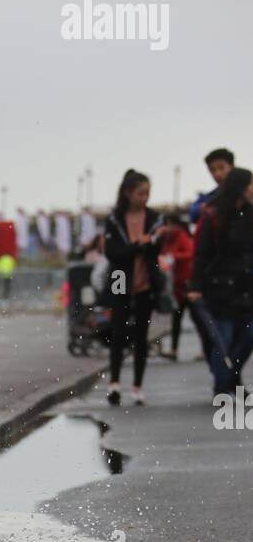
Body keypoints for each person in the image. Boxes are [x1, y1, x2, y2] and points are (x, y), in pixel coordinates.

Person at [103, 170, 166, 406]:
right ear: (129, 193)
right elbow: (113, 253)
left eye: (148, 193)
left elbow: (156, 250)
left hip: (145, 281)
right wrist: (139, 243)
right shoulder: (114, 219)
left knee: (141, 335)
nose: (145, 198)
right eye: (141, 193)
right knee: (117, 332)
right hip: (121, 276)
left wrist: (155, 241)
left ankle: (137, 385)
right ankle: (115, 383)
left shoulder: (155, 219)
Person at [189, 167, 253, 397]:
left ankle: (228, 379)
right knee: (223, 339)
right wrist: (195, 286)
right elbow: (201, 253)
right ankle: (223, 386)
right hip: (220, 288)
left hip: (247, 287)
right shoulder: (214, 216)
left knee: (248, 336)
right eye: (250, 185)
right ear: (240, 188)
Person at [158, 214, 194, 359]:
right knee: (177, 318)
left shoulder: (181, 236)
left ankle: (207, 349)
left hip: (186, 283)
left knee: (198, 318)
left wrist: (174, 256)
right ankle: (174, 349)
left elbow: (190, 252)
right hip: (176, 285)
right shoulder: (167, 239)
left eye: (169, 225)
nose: (167, 228)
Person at [189, 148, 235, 225]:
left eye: (221, 167)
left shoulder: (247, 191)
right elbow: (193, 212)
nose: (217, 174)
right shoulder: (210, 197)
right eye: (212, 170)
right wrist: (201, 209)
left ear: (232, 166)